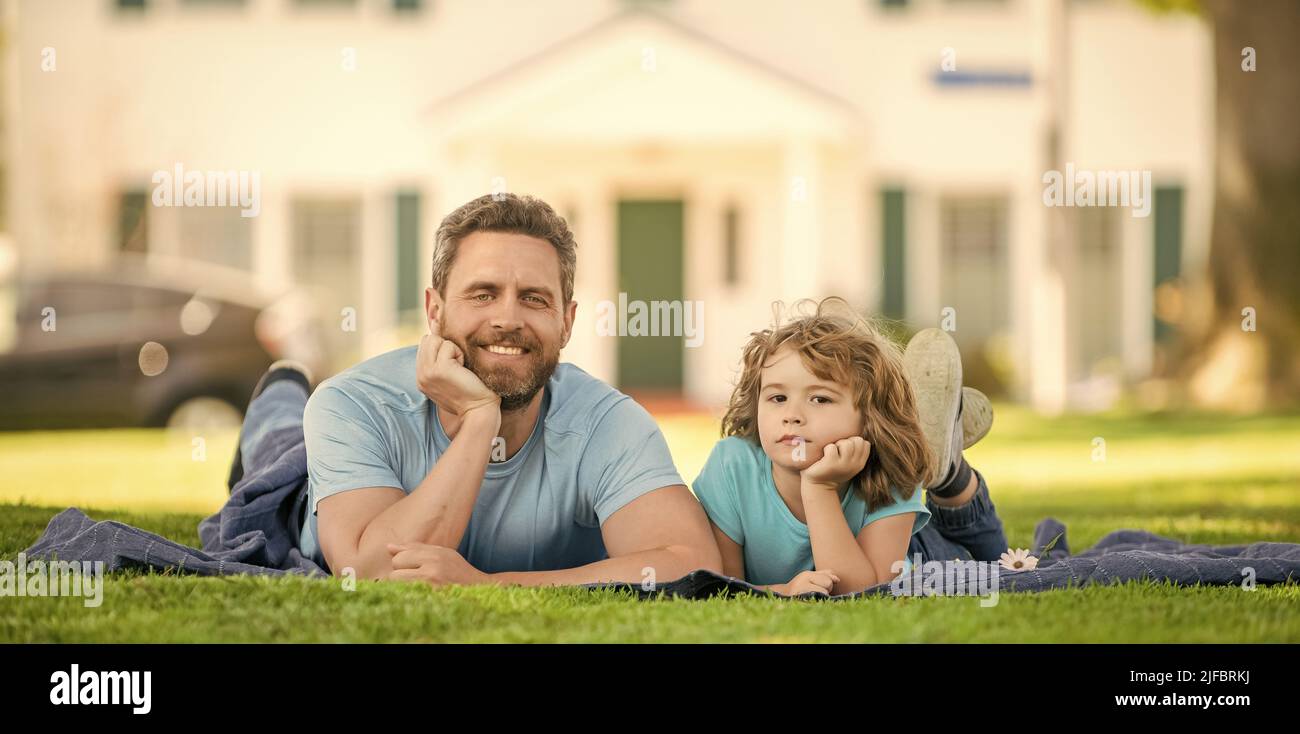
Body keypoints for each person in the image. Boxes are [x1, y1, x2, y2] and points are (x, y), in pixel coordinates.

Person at [229, 193, 721, 586]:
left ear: (567, 322)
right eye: (483, 294)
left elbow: (690, 563)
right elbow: (371, 574)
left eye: (533, 298)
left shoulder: (608, 422)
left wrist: (491, 584)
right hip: (300, 489)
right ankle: (281, 387)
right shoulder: (350, 403)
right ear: (435, 310)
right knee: (278, 441)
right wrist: (481, 420)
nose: (507, 319)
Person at [692, 297, 1010, 595]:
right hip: (886, 542)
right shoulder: (731, 466)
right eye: (778, 398)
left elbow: (863, 591)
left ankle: (951, 473)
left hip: (919, 557)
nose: (792, 416)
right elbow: (724, 588)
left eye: (820, 399)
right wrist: (784, 590)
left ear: (870, 415)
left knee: (998, 563)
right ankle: (942, 460)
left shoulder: (890, 467)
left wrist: (819, 489)